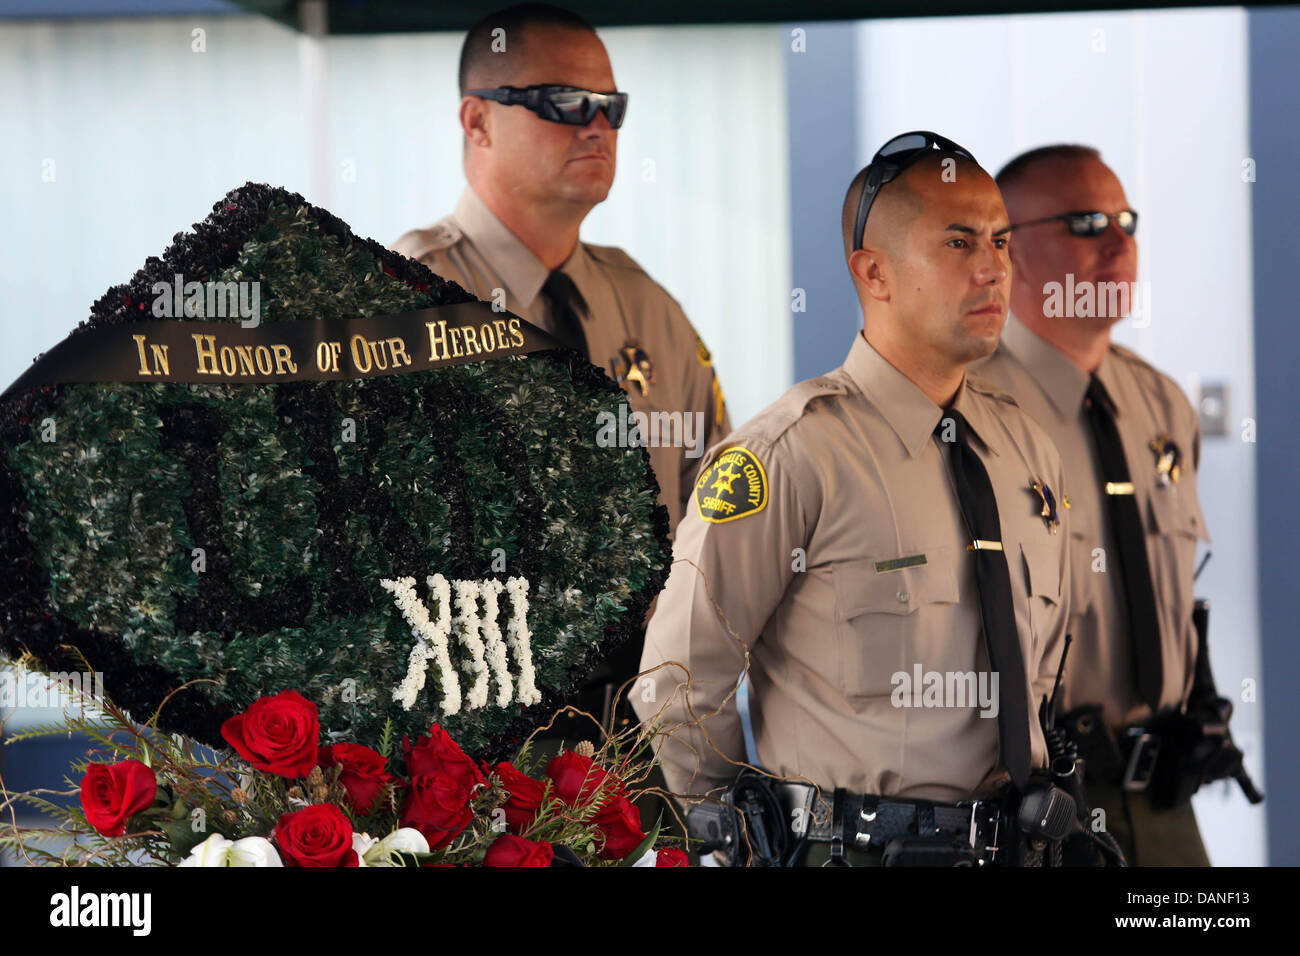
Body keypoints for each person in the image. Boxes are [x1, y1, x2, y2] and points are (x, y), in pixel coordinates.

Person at [635, 133, 1074, 866]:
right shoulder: (788, 454)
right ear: (874, 273)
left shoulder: (1030, 450)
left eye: (1000, 242)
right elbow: (677, 677)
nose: (994, 267)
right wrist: (738, 833)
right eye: (959, 243)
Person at [391, 3, 731, 746]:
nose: (596, 128)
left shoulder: (645, 306)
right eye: (564, 103)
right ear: (476, 122)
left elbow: (721, 520)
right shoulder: (408, 301)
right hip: (463, 747)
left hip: (638, 737)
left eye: (611, 107)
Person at [972, 145, 1212, 866]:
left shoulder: (1160, 402)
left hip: (1166, 797)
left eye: (1125, 219)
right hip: (1037, 812)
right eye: (1085, 222)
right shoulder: (968, 409)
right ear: (1006, 250)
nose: (1119, 242)